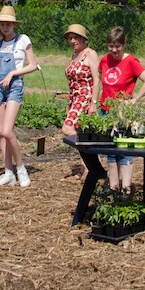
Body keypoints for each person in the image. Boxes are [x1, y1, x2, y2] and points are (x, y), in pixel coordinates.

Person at [0, 6, 39, 188]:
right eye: (2, 24)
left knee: (7, 131)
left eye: (8, 24)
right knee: (1, 132)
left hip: (14, 86)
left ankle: (21, 168)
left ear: (14, 24)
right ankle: (8, 172)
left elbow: (33, 65)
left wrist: (12, 74)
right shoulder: (0, 42)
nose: (6, 27)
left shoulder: (23, 40)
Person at [98, 26, 145, 190]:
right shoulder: (104, 60)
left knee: (124, 149)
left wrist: (134, 99)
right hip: (105, 111)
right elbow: (101, 78)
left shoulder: (131, 62)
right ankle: (114, 187)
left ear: (124, 44)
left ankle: (126, 188)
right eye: (111, 46)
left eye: (117, 46)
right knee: (110, 150)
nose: (114, 50)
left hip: (123, 114)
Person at [61, 24, 100, 178]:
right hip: (74, 98)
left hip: (85, 97)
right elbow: (72, 82)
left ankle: (92, 162)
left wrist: (93, 103)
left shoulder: (90, 54)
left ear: (83, 38)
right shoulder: (74, 55)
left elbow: (97, 80)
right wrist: (69, 103)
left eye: (75, 37)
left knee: (67, 129)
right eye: (70, 38)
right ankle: (88, 168)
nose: (72, 40)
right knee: (81, 132)